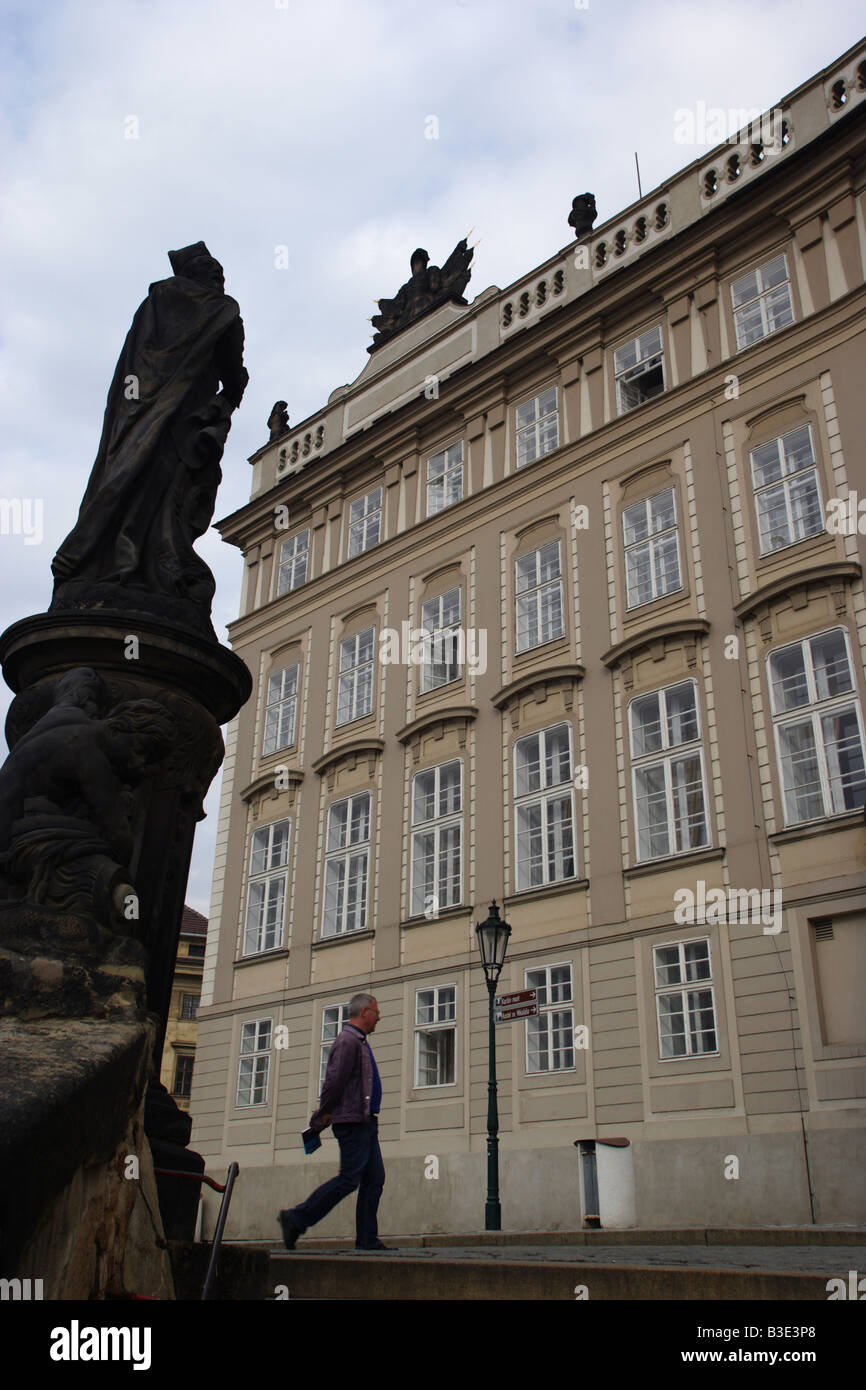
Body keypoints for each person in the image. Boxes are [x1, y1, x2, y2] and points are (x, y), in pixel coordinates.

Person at [279, 992, 387, 1251]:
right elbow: (334, 1081)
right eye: (376, 1012)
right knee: (350, 1179)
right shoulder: (348, 1041)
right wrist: (323, 1113)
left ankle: (367, 1240)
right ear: (364, 1013)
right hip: (353, 1122)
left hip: (365, 1121)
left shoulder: (359, 1041)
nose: (379, 1017)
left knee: (374, 1180)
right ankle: (296, 1218)